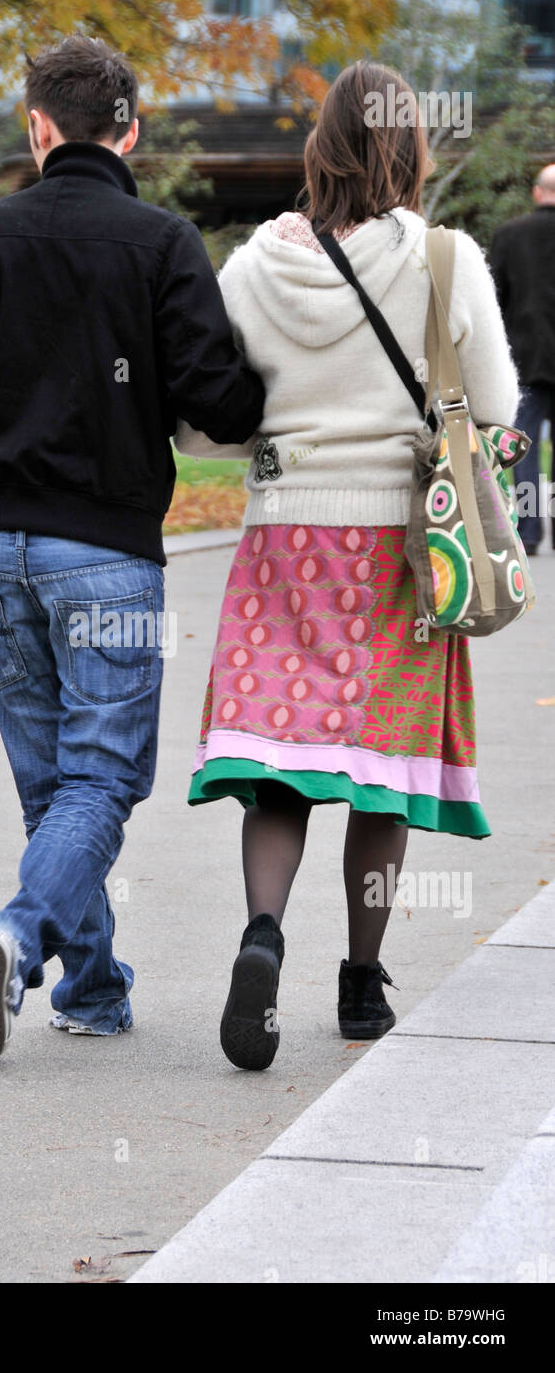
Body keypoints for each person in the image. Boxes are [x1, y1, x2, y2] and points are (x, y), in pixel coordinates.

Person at [0, 36, 265, 1061]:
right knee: (100, 780)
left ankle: (97, 985)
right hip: (105, 548)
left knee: (52, 782)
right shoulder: (159, 245)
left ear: (36, 127)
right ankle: (18, 933)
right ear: (131, 130)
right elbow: (219, 400)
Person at [176, 60, 519, 1072]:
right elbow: (494, 408)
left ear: (315, 149)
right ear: (410, 148)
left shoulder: (251, 268)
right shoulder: (445, 261)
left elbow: (203, 424)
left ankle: (260, 933)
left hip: (284, 536)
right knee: (378, 775)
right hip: (401, 554)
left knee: (278, 759)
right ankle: (361, 984)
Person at [490, 167, 555, 556]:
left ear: (536, 192)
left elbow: (493, 302)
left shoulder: (509, 235)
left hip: (525, 360)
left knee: (524, 447)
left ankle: (529, 532)